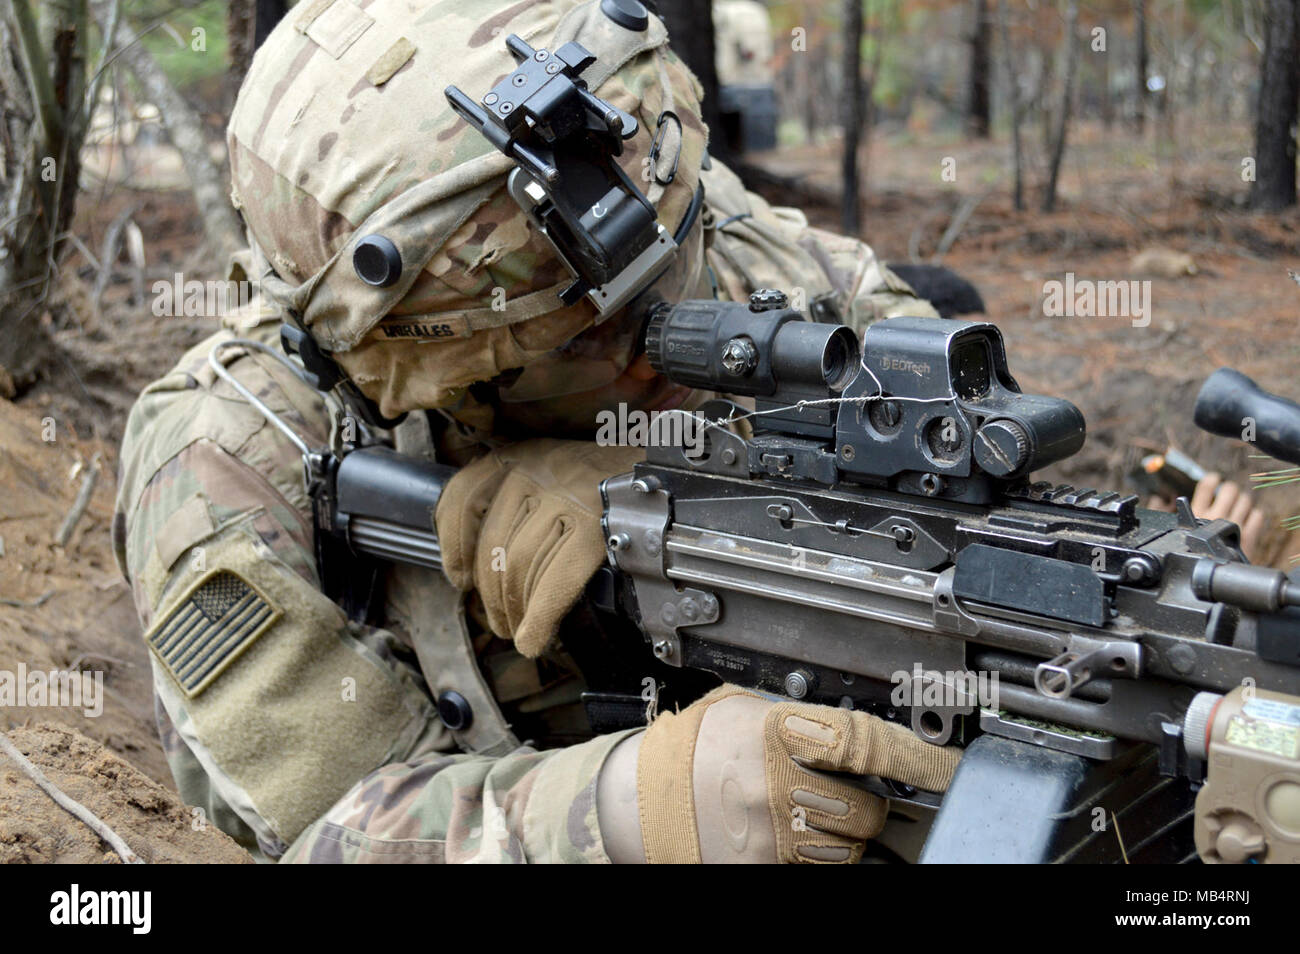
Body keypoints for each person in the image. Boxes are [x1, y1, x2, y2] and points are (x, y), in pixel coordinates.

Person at [113, 0, 955, 864]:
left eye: (677, 268)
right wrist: (631, 805)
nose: (655, 347)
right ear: (397, 368)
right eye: (583, 340)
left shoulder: (734, 242)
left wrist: (664, 482)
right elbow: (312, 825)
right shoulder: (223, 457)